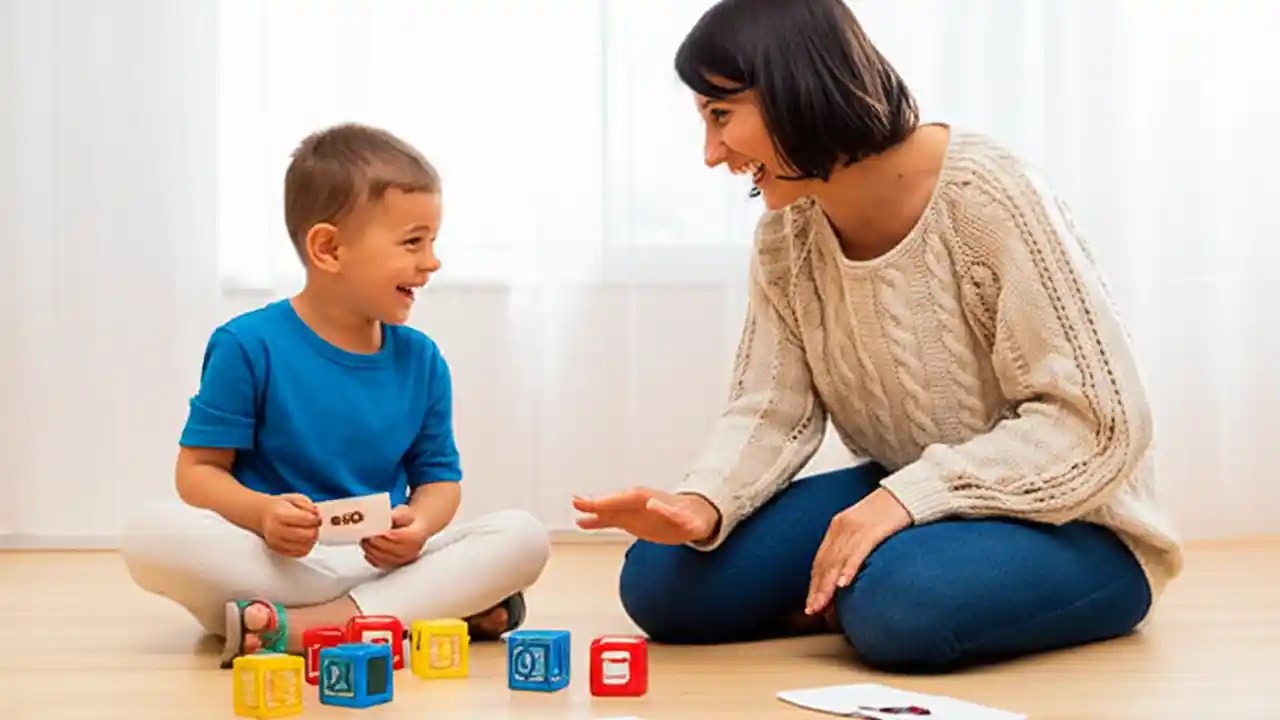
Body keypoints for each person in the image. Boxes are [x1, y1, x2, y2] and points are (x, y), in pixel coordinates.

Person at [573, 0, 1182, 673]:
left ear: (794, 87)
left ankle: (886, 583)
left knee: (898, 608)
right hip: (913, 487)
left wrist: (905, 499)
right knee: (661, 579)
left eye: (721, 116)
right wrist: (701, 501)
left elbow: (1098, 424)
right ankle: (875, 576)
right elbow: (771, 407)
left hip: (1077, 521)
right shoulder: (788, 234)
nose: (712, 154)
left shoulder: (987, 195)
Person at [121, 123, 551, 668]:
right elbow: (198, 472)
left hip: (386, 565)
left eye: (433, 241)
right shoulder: (247, 345)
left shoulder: (421, 359)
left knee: (523, 536)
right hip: (279, 563)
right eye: (413, 242)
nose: (432, 261)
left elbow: (439, 481)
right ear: (328, 248)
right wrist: (262, 513)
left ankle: (300, 629)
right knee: (150, 535)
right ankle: (418, 612)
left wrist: (417, 528)